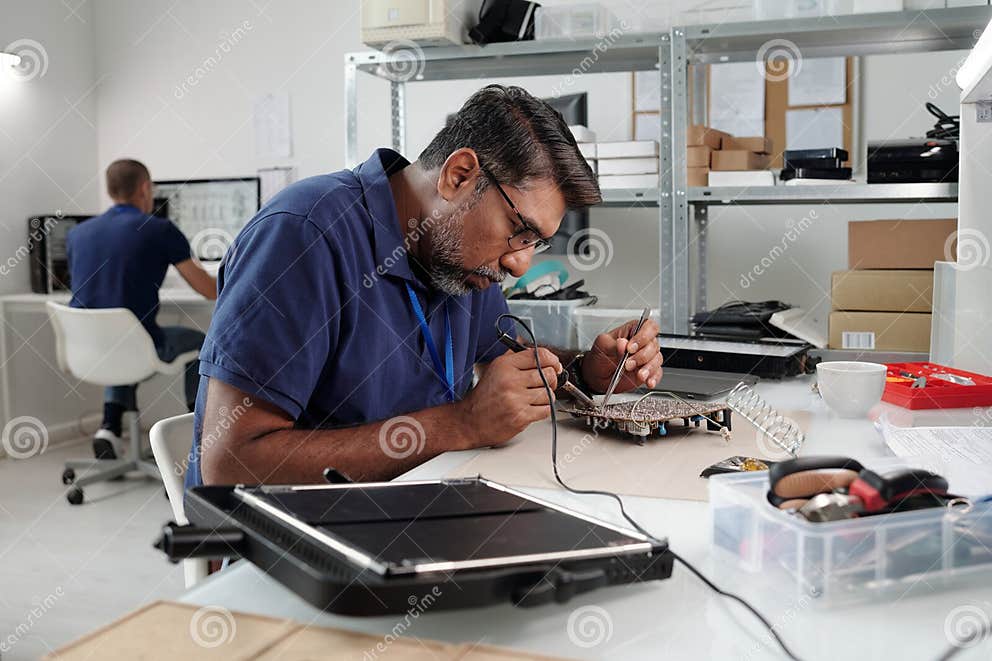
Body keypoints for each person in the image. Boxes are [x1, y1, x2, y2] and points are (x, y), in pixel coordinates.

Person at [187, 84, 663, 488]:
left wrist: (586, 375)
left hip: (426, 506)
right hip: (308, 543)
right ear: (459, 176)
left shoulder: (460, 263)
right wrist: (460, 425)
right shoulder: (305, 236)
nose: (520, 264)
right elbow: (230, 464)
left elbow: (509, 371)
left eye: (535, 242)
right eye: (519, 231)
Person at [67, 159, 217, 459]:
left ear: (110, 191)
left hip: (91, 348)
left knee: (120, 338)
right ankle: (195, 432)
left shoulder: (78, 233)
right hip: (137, 346)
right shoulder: (159, 229)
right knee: (203, 344)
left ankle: (109, 426)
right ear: (145, 188)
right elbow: (208, 290)